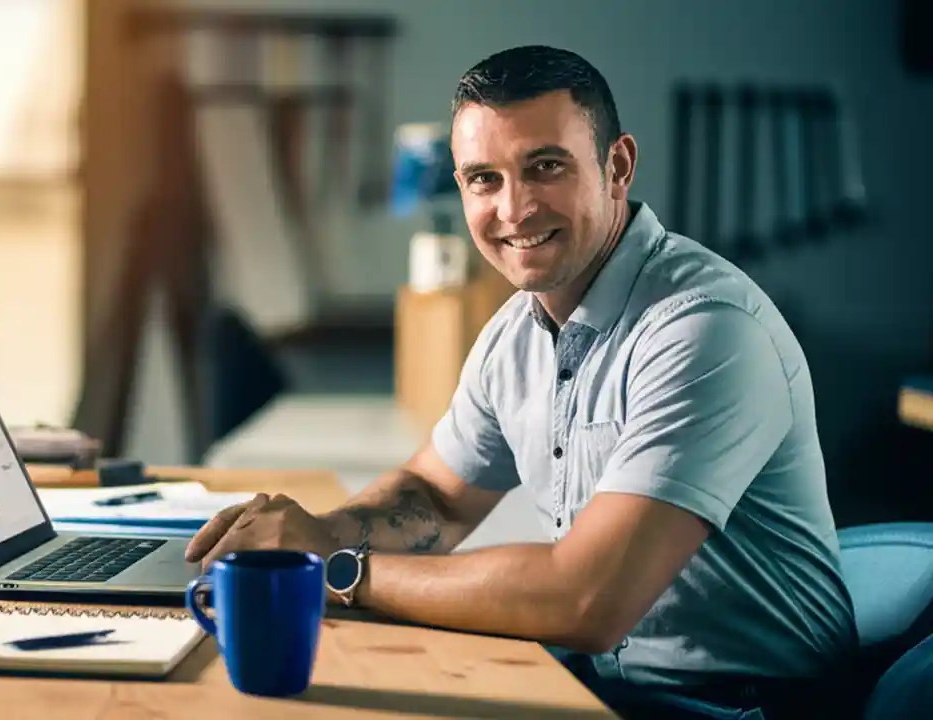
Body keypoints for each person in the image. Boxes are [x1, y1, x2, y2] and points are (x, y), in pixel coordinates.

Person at [185, 46, 860, 719]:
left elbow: (588, 599)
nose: (515, 209)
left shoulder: (701, 330)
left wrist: (338, 571)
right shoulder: (515, 332)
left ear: (616, 166)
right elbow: (436, 500)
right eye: (484, 179)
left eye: (545, 167)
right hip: (602, 689)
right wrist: (305, 536)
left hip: (748, 708)